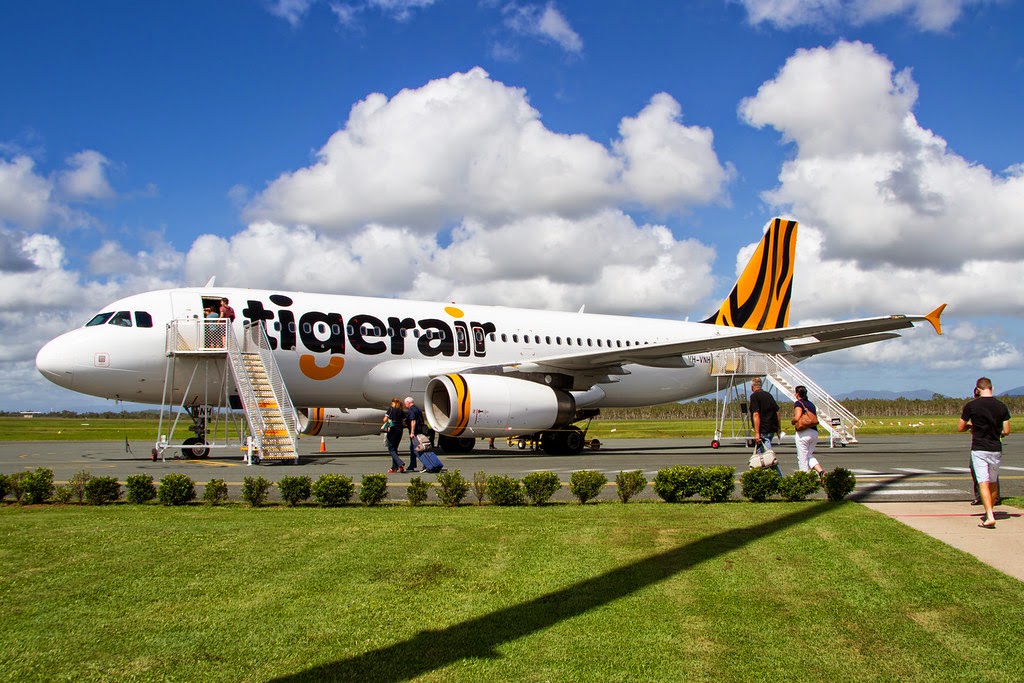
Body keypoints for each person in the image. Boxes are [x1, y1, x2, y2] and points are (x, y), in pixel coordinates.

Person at [957, 377, 1010, 529]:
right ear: (991, 388)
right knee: (993, 483)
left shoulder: (971, 406)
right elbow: (1006, 430)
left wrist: (970, 427)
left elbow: (960, 427)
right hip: (995, 448)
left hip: (979, 448)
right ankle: (990, 510)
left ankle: (990, 515)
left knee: (983, 482)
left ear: (978, 390)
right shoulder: (1002, 406)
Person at [749, 377, 783, 476]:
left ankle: (780, 478)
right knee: (761, 456)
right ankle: (761, 478)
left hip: (763, 430)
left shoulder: (754, 396)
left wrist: (757, 433)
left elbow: (756, 414)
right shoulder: (768, 395)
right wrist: (778, 428)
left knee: (769, 458)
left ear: (752, 387)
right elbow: (777, 412)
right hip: (771, 429)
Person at [790, 385, 824, 480]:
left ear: (797, 394)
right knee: (808, 455)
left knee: (802, 459)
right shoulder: (811, 404)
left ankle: (805, 479)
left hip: (803, 433)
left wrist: (793, 421)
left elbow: (797, 417)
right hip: (814, 432)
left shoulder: (798, 403)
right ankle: (821, 472)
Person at [384, 398, 406, 473]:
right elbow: (403, 423)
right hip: (399, 430)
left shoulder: (390, 409)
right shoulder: (401, 411)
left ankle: (400, 463)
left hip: (392, 429)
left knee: (391, 449)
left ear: (393, 403)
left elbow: (385, 419)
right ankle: (394, 467)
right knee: (395, 448)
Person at [404, 396, 425, 472]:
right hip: (419, 431)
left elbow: (413, 421)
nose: (405, 405)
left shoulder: (411, 410)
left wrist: (412, 432)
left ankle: (425, 464)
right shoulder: (418, 409)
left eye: (405, 404)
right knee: (414, 448)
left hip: (415, 432)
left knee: (416, 449)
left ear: (408, 403)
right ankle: (412, 465)